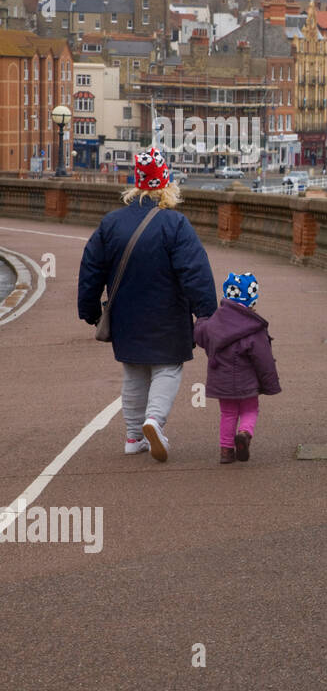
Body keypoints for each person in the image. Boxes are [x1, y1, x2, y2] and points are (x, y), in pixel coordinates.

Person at [78, 148, 217, 461]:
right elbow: (195, 272)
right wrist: (207, 313)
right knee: (168, 368)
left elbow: (90, 269)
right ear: (166, 185)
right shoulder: (175, 224)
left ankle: (132, 436)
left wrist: (90, 311)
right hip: (167, 314)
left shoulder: (110, 223)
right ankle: (154, 419)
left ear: (136, 184)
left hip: (125, 314)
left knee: (134, 372)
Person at [194, 272, 281, 463]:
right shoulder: (254, 327)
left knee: (227, 413)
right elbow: (263, 359)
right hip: (247, 382)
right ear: (252, 299)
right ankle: (244, 433)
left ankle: (226, 451)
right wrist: (269, 383)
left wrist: (201, 320)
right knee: (250, 410)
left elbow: (200, 334)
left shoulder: (214, 322)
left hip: (221, 380)